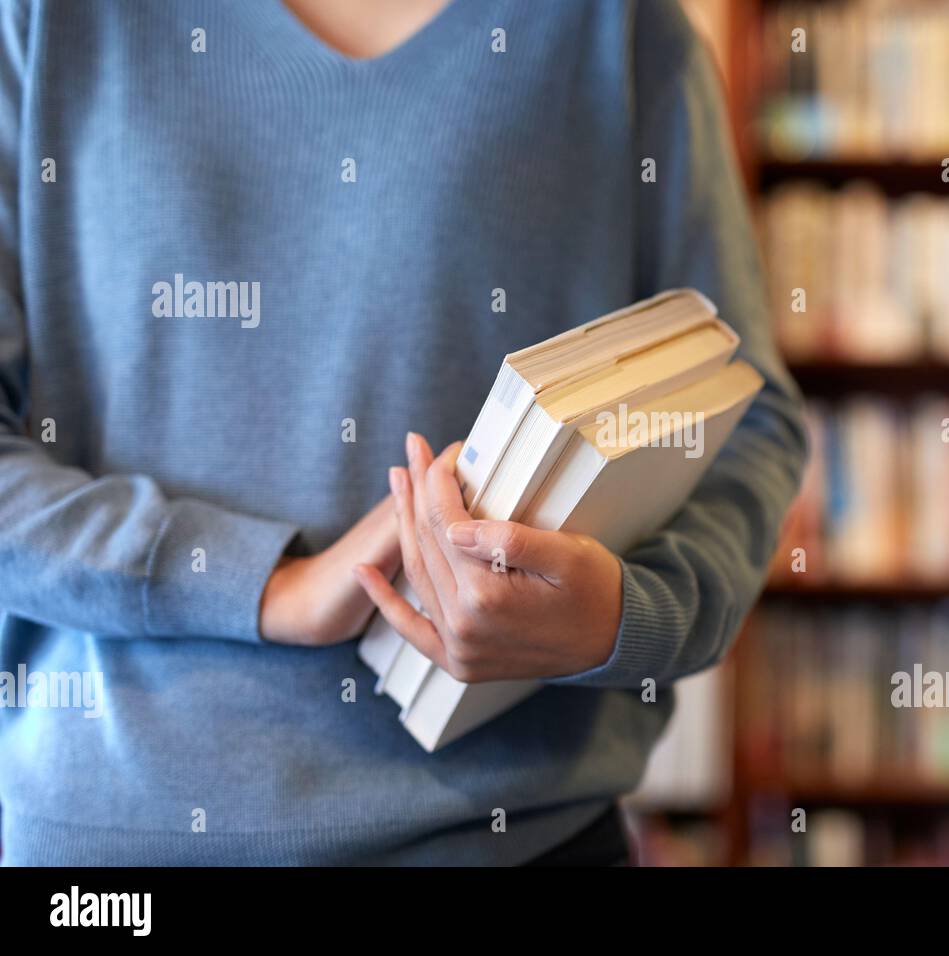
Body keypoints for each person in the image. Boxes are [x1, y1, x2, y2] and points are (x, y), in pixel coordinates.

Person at [0, 0, 805, 865]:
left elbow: (748, 415)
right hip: (114, 855)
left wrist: (627, 616)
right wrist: (266, 584)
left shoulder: (618, 29)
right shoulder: (46, 21)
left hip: (519, 838)